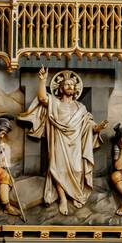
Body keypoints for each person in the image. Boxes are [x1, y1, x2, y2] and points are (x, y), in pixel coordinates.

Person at [21, 67, 106, 215]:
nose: (70, 87)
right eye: (67, 84)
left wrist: (97, 128)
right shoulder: (55, 103)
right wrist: (42, 80)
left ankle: (73, 194)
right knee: (58, 169)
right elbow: (42, 98)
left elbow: (88, 125)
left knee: (77, 170)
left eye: (72, 85)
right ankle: (63, 199)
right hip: (59, 140)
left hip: (76, 143)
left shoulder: (81, 107)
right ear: (60, 88)